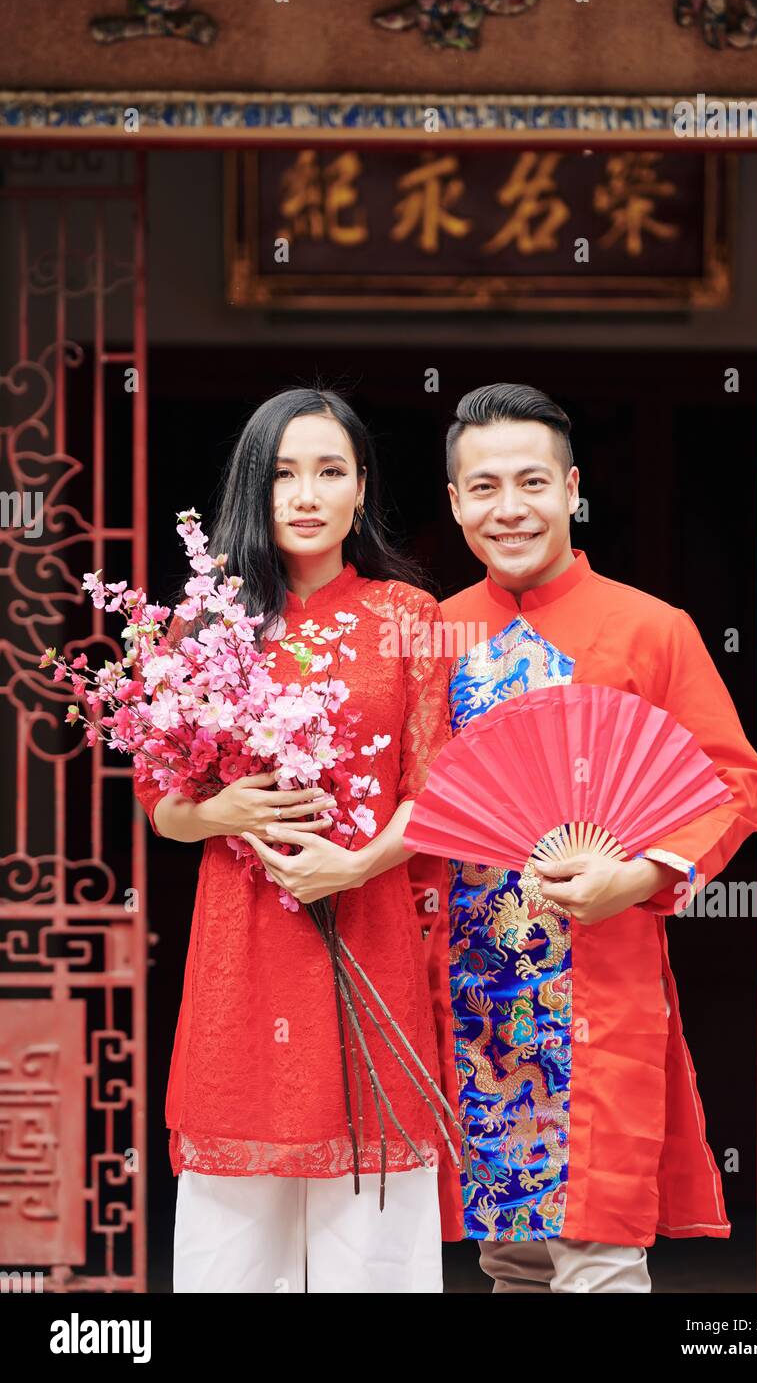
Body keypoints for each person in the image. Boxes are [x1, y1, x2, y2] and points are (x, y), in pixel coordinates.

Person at [417, 382, 757, 1293]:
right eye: (483, 487)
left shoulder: (654, 628)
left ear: (572, 488)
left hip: (600, 986)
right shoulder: (428, 636)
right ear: (454, 502)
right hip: (469, 993)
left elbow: (734, 784)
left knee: (598, 1256)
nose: (510, 508)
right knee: (512, 1260)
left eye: (531, 482)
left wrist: (644, 872)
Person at [133, 387, 451, 1293]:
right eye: (282, 474)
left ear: (362, 490)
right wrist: (222, 812)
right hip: (246, 940)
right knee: (233, 1248)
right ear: (252, 489)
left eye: (329, 471)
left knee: (374, 1243)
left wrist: (355, 864)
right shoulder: (209, 622)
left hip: (369, 931)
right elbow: (161, 801)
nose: (305, 493)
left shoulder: (408, 615)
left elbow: (435, 794)